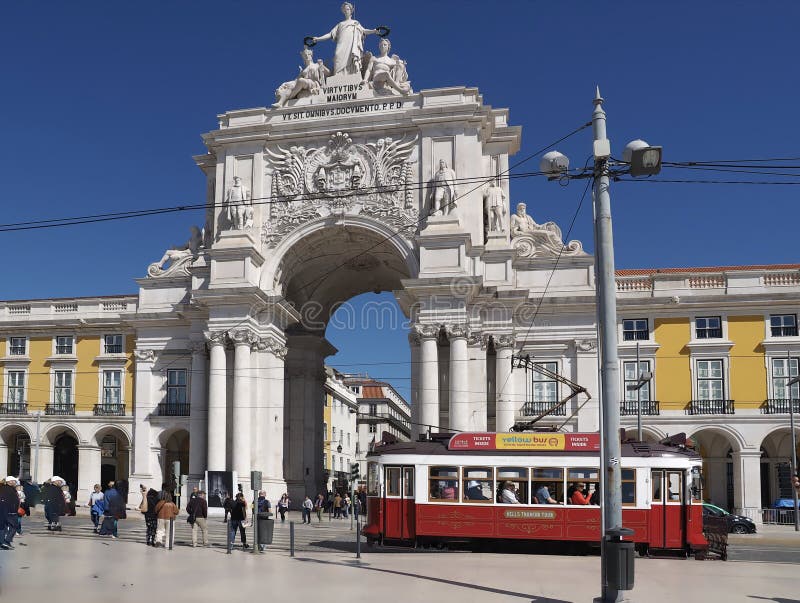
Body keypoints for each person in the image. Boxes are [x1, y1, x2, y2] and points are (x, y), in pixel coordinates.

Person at [310, 2, 379, 76]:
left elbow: (364, 31)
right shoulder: (340, 24)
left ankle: (351, 74)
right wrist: (318, 39)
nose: (346, 11)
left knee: (351, 58)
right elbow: (330, 34)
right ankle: (337, 75)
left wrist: (374, 31)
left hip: (351, 45)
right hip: (341, 44)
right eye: (345, 9)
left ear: (351, 10)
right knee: (337, 56)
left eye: (348, 9)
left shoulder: (355, 23)